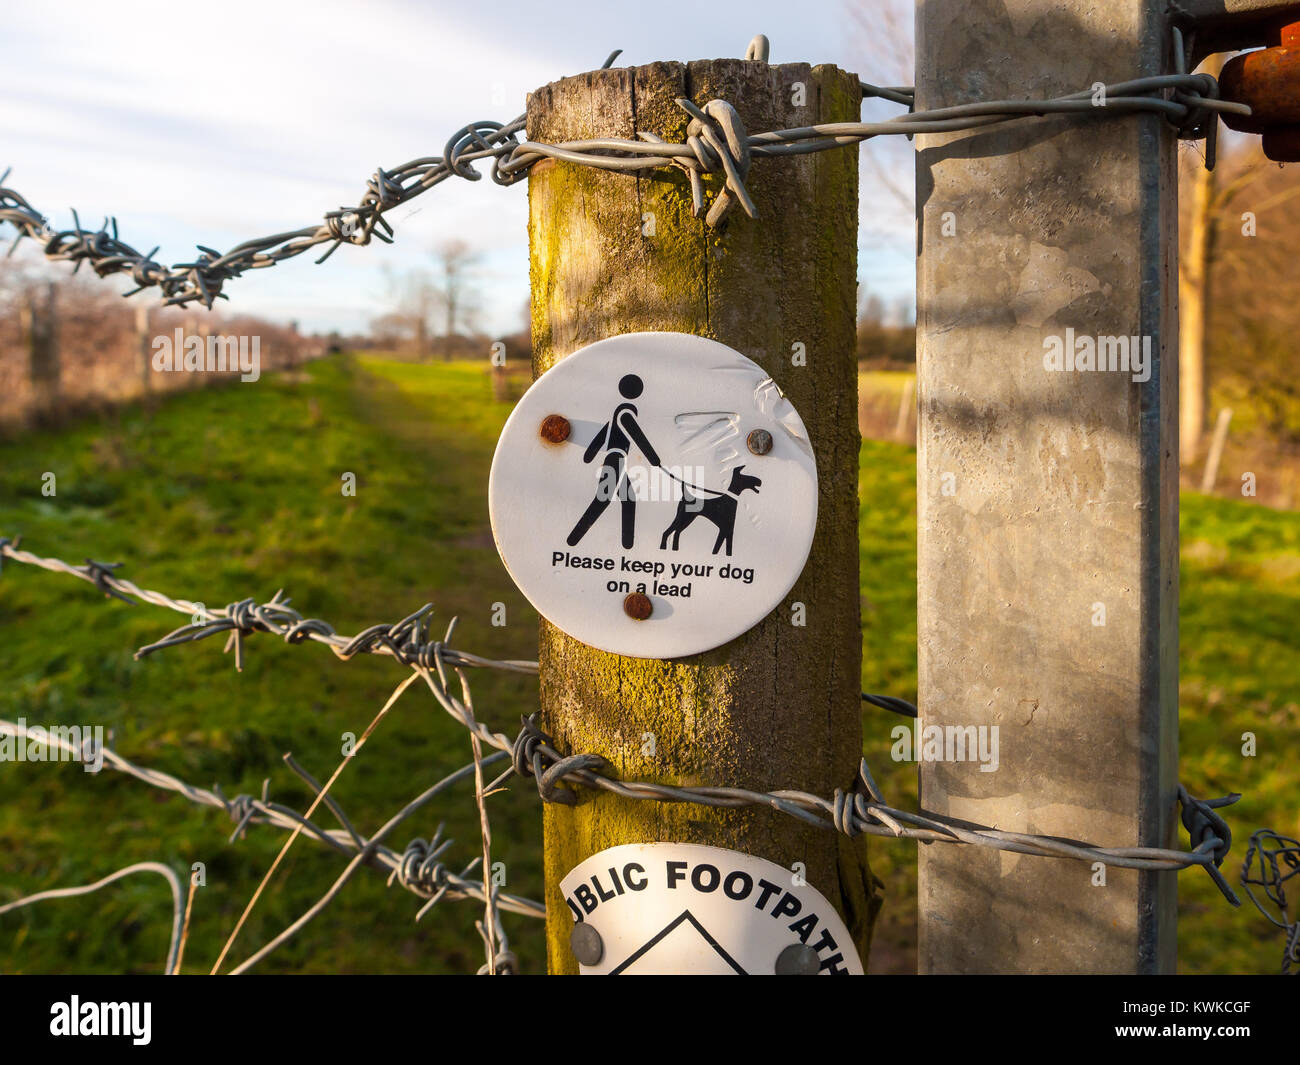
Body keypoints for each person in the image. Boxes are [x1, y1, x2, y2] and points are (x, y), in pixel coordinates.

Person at [567, 374, 661, 550]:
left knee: (628, 498)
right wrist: (654, 459)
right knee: (602, 500)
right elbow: (637, 435)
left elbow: (604, 433)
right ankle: (573, 540)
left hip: (617, 461)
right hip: (615, 460)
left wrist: (590, 454)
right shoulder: (626, 412)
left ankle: (628, 546)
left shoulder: (617, 411)